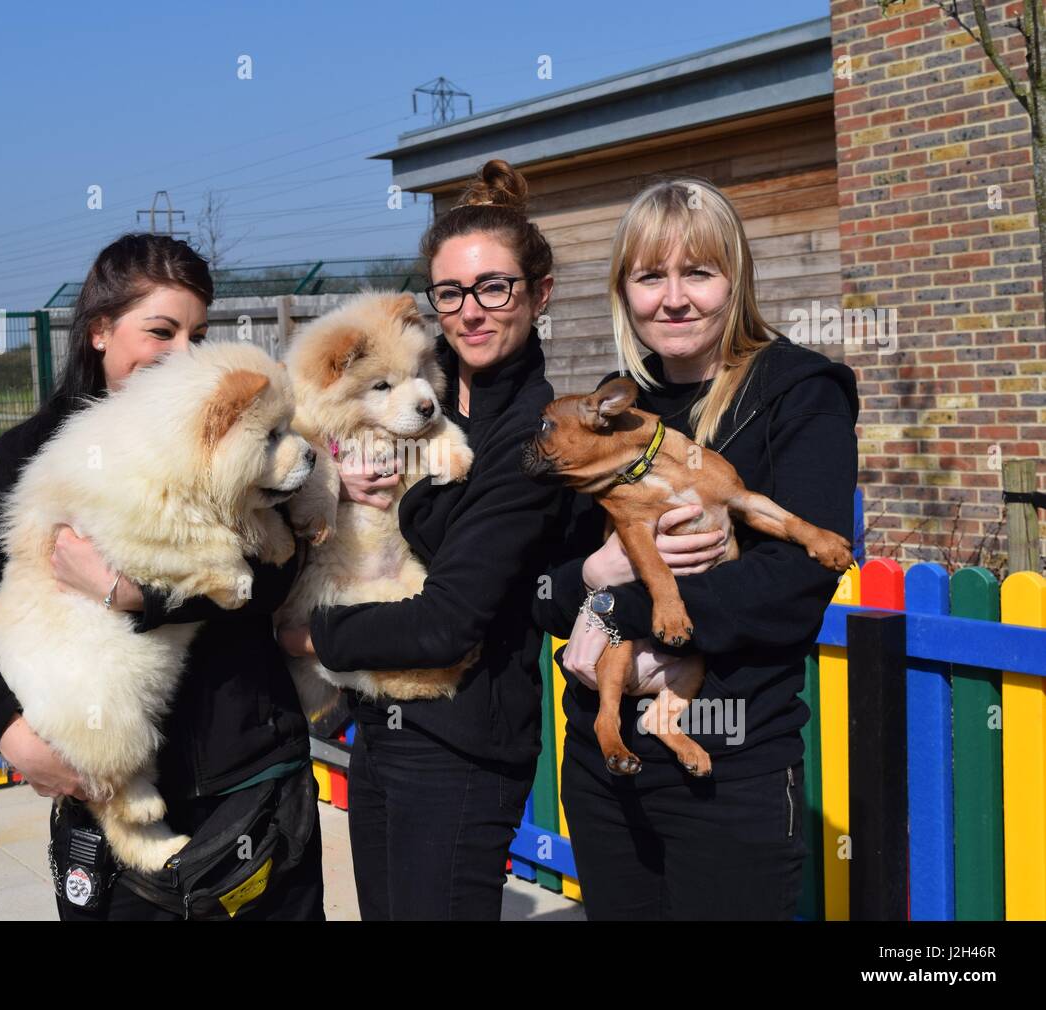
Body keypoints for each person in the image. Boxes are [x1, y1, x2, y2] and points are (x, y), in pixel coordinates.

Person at [0, 233, 325, 921]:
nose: (182, 354)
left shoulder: (234, 435)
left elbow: (275, 577)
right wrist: (17, 740)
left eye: (197, 332)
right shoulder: (30, 455)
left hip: (252, 783)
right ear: (101, 330)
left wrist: (135, 596)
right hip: (112, 808)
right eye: (160, 330)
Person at [532, 177, 858, 921]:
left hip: (729, 755)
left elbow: (793, 584)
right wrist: (593, 574)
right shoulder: (610, 416)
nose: (674, 299)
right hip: (599, 759)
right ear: (625, 291)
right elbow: (545, 592)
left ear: (734, 280)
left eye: (698, 273)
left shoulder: (797, 392)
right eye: (650, 277)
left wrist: (619, 607)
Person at [278, 159, 567, 920]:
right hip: (379, 729)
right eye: (452, 293)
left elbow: (446, 622)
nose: (471, 311)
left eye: (494, 288)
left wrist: (306, 639)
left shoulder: (532, 437)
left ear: (539, 294)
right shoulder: (432, 400)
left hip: (463, 742)